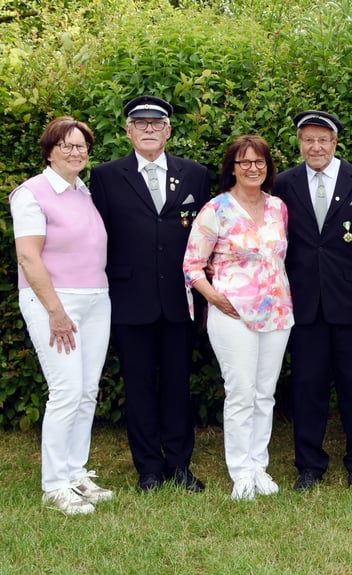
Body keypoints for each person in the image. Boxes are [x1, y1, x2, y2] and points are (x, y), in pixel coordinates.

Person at [90, 95, 210, 493]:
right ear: (127, 131)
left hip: (180, 299)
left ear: (168, 130)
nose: (148, 129)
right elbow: (98, 238)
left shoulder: (194, 174)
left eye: (156, 124)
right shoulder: (107, 176)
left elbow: (205, 237)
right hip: (130, 297)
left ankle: (179, 466)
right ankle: (148, 470)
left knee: (177, 384)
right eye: (140, 123)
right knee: (138, 386)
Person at [273, 110, 352, 491]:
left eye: (323, 139)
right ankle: (309, 465)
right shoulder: (282, 184)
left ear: (336, 143)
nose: (315, 146)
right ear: (299, 143)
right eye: (308, 140)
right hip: (303, 303)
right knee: (307, 385)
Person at [182, 135, 294, 501]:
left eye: (259, 162)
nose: (252, 169)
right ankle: (241, 472)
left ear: (268, 167)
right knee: (241, 393)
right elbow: (192, 265)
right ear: (232, 167)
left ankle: (259, 465)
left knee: (265, 395)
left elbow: (278, 257)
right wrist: (215, 298)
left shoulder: (278, 207)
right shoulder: (216, 209)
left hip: (277, 313)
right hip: (233, 316)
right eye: (244, 162)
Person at [11, 117, 112, 515]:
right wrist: (55, 310)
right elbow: (28, 256)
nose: (76, 152)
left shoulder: (82, 190)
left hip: (96, 299)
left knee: (87, 391)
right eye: (67, 146)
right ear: (49, 150)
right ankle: (54, 485)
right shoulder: (32, 193)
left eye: (82, 145)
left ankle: (75, 472)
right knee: (67, 391)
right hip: (54, 302)